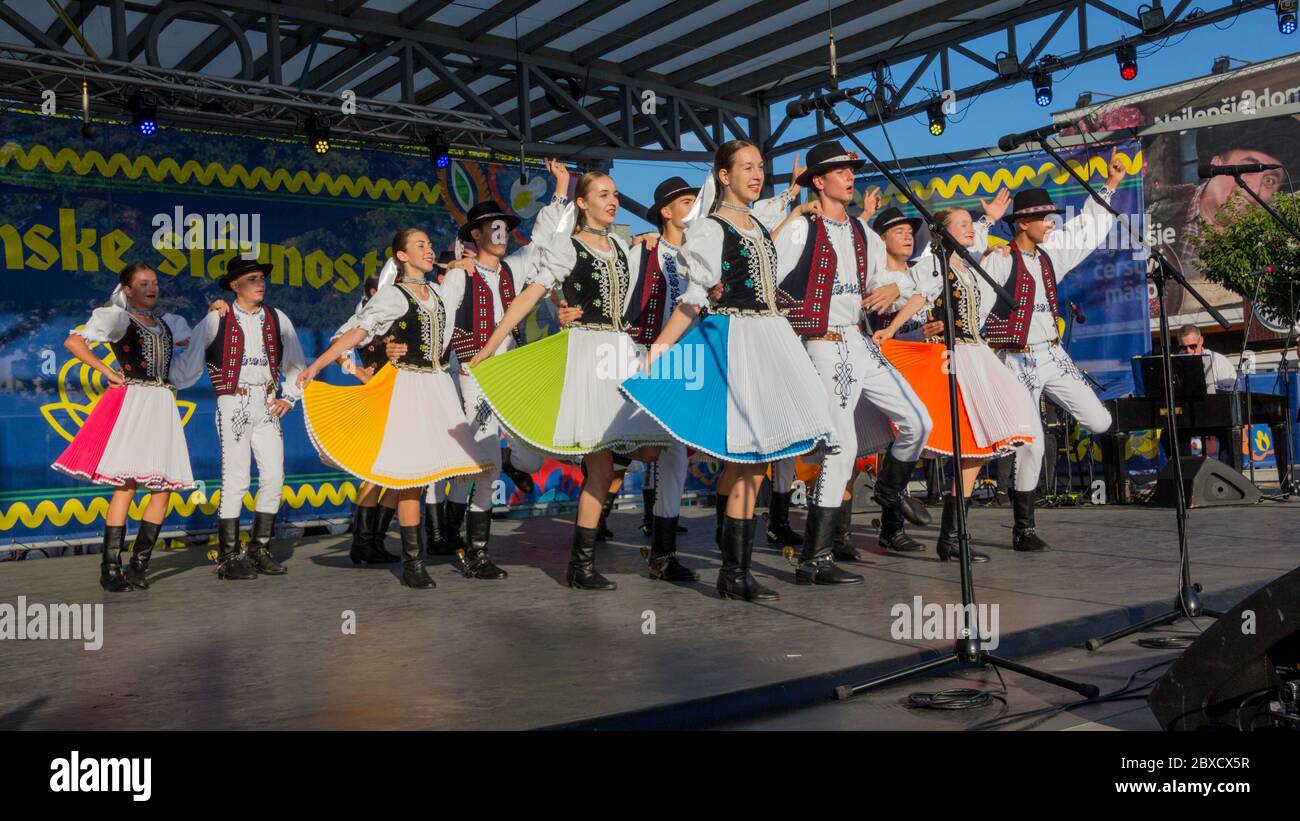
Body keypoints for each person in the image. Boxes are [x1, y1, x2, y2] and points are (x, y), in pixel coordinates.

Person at [622, 139, 838, 601]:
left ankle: (735, 570)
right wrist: (657, 352)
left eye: (760, 167)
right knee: (746, 460)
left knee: (758, 462)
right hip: (738, 340)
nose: (757, 174)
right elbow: (693, 299)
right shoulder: (710, 228)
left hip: (770, 337)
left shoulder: (757, 224)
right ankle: (733, 571)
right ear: (723, 175)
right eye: (746, 167)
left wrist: (793, 210)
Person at [467, 168, 670, 591]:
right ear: (583, 203)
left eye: (615, 194)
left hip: (622, 352)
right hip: (590, 352)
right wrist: (490, 345)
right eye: (603, 194)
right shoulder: (568, 247)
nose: (612, 201)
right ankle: (580, 566)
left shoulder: (619, 244)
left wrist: (649, 241)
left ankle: (573, 452)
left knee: (652, 448)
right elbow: (531, 295)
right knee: (600, 469)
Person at [766, 140, 933, 581]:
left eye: (851, 169)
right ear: (819, 182)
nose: (850, 176)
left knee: (919, 421)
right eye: (841, 171)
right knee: (841, 446)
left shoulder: (864, 235)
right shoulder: (804, 228)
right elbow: (766, 274)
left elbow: (891, 278)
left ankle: (889, 490)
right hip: (822, 343)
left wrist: (895, 290)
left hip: (860, 341)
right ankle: (814, 558)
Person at [296, 228, 497, 589]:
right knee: (409, 479)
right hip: (410, 387)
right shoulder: (393, 294)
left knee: (466, 467)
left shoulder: (437, 291)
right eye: (419, 245)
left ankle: (455, 545)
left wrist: (460, 262)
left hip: (438, 386)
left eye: (429, 244)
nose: (428, 248)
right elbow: (356, 332)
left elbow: (462, 275)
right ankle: (413, 562)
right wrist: (316, 365)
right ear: (402, 256)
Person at [873, 204, 1039, 562]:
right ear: (942, 232)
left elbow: (978, 239)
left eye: (969, 224)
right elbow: (920, 295)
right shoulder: (937, 264)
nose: (969, 229)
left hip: (977, 355)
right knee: (956, 442)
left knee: (976, 451)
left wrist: (988, 226)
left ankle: (952, 536)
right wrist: (891, 327)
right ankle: (899, 502)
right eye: (960, 225)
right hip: (954, 359)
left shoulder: (966, 264)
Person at [980, 151, 1127, 551]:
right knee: (1033, 444)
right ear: (1023, 223)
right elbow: (975, 308)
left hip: (1052, 356)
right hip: (1018, 358)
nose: (1050, 223)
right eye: (1044, 218)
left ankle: (1013, 434)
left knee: (1099, 421)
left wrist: (1110, 186)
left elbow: (1085, 229)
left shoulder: (1049, 256)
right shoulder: (999, 260)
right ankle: (1023, 528)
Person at [433, 167, 568, 578]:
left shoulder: (513, 268)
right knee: (486, 462)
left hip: (509, 373)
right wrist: (436, 373)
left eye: (505, 227)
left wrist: (561, 190)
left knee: (489, 458)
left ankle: (446, 535)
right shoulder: (461, 275)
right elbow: (439, 322)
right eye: (494, 227)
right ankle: (473, 553)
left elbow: (546, 237)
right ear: (475, 234)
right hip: (473, 373)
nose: (502, 232)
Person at [52, 263, 197, 591]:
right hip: (135, 402)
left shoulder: (168, 323)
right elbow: (74, 342)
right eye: (144, 283)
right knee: (127, 485)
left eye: (155, 283)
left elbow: (198, 342)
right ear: (128, 289)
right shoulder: (119, 318)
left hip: (162, 403)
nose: (152, 288)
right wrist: (106, 369)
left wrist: (217, 314)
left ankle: (139, 565)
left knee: (164, 488)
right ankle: (110, 567)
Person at [176, 257, 307, 580]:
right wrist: (158, 378)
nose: (260, 283)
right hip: (233, 402)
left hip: (266, 401)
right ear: (235, 285)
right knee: (235, 478)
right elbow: (189, 364)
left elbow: (296, 364)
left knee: (274, 477)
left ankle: (259, 548)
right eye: (251, 279)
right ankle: (228, 555)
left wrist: (288, 398)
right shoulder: (215, 319)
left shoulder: (277, 318)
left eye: (261, 277)